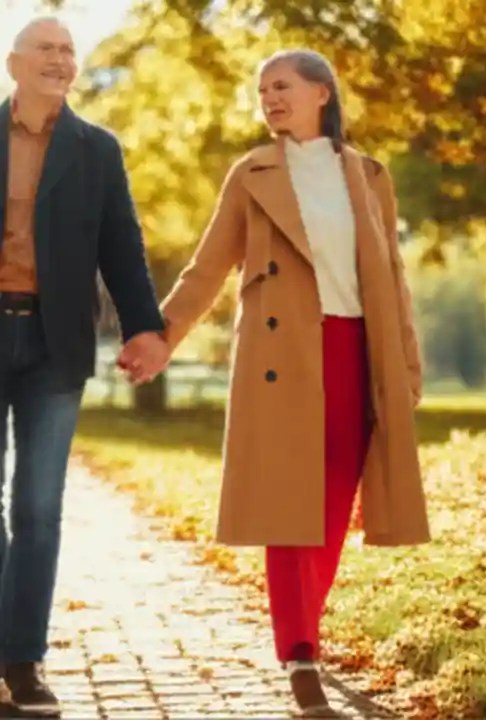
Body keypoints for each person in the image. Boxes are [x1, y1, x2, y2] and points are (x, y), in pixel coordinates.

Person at [154, 49, 429, 717]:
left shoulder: (367, 174)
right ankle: (301, 652)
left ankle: (307, 627)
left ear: (321, 95)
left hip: (357, 348)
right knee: (290, 507)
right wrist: (160, 336)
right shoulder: (251, 173)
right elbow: (207, 267)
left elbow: (391, 273)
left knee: (334, 506)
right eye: (262, 90)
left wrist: (406, 363)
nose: (269, 99)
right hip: (284, 357)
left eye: (282, 87)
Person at [0, 17, 170, 718]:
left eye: (70, 50)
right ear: (14, 63)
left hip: (55, 343)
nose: (62, 60)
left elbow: (121, 245)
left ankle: (22, 662)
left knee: (38, 510)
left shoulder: (96, 149)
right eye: (47, 48)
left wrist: (147, 328)